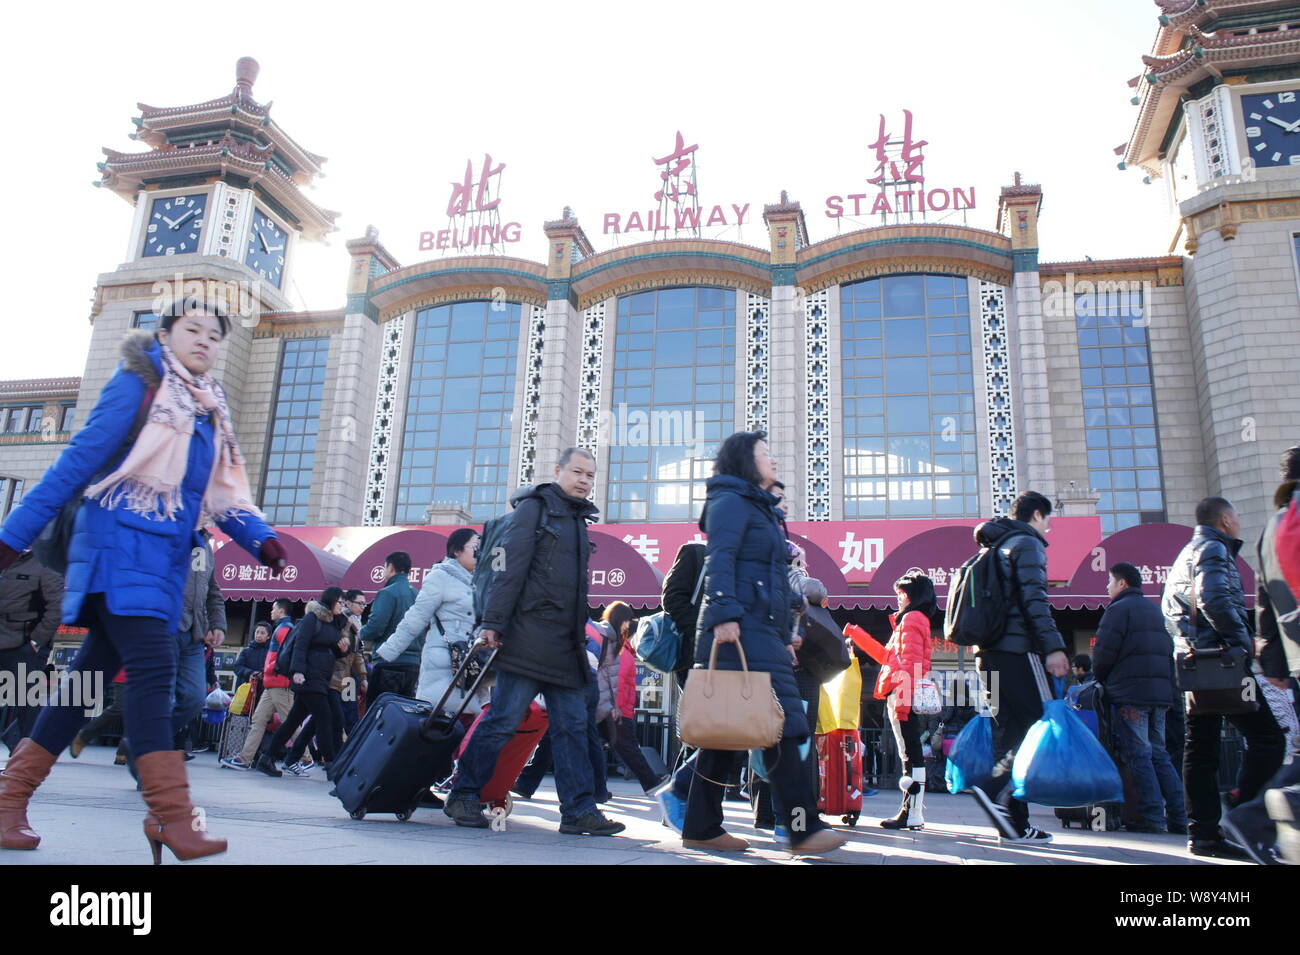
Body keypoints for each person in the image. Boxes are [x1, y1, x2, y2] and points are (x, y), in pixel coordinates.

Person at [0, 297, 285, 861]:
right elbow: (77, 462)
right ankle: (170, 817)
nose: (204, 340)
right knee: (154, 673)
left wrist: (262, 539)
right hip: (115, 555)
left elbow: (217, 497)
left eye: (214, 334)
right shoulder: (140, 385)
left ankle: (9, 800)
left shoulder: (208, 408)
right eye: (193, 329)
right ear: (167, 334)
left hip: (161, 568)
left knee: (77, 694)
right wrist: (12, 537)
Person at [443, 447, 624, 837]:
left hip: (566, 643)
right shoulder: (535, 508)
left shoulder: (578, 519)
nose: (584, 480)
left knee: (574, 727)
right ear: (557, 470)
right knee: (503, 720)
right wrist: (492, 622)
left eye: (590, 475)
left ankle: (578, 811)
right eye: (577, 472)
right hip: (527, 638)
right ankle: (463, 794)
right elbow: (511, 567)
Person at [683, 430, 846, 857]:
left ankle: (700, 825)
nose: (773, 459)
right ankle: (801, 828)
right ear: (744, 460)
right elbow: (721, 558)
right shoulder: (731, 501)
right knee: (786, 725)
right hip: (742, 629)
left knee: (728, 735)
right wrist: (724, 615)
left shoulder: (760, 507)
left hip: (761, 630)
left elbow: (771, 576)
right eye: (765, 453)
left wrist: (790, 625)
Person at [1162, 496, 1286, 859]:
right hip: (1222, 660)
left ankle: (1203, 834)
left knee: (1200, 748)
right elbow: (1214, 597)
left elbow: (1172, 606)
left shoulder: (1188, 550)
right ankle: (1244, 814)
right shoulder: (1213, 548)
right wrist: (1242, 640)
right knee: (1268, 739)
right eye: (1236, 516)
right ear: (1226, 519)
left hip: (1195, 661)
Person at [967, 490, 1071, 844]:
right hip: (1016, 652)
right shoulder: (1027, 545)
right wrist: (1054, 648)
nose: (1050, 526)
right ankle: (993, 785)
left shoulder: (993, 546)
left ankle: (1013, 824)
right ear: (1038, 514)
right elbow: (1035, 601)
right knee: (1032, 727)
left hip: (988, 654)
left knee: (1006, 732)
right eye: (1049, 518)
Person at [1219, 449, 1300, 864]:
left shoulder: (1274, 527)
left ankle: (1256, 815)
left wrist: (1274, 664)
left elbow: (1264, 600)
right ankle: (1260, 814)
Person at [1092, 562, 1186, 834]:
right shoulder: (1155, 611)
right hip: (1159, 696)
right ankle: (1179, 817)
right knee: (1160, 754)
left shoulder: (1118, 610)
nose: (1107, 586)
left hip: (1130, 696)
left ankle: (1151, 816)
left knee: (1140, 756)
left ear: (1122, 583)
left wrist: (1101, 678)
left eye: (1109, 581)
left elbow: (1104, 654)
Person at [258, 587, 350, 776]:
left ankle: (266, 757)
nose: (342, 606)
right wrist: (297, 671)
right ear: (332, 601)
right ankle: (331, 763)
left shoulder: (334, 623)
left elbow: (333, 650)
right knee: (325, 717)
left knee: (293, 721)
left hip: (322, 676)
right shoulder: (312, 618)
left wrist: (343, 649)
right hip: (308, 676)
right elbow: (300, 645)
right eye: (340, 602)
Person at [873, 572, 936, 831]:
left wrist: (900, 701)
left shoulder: (910, 619)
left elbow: (908, 664)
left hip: (902, 695)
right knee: (911, 753)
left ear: (910, 595)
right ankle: (913, 812)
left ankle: (911, 813)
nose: (898, 599)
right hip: (906, 694)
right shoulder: (918, 619)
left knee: (909, 754)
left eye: (901, 594)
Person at [656, 539, 707, 831]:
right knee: (702, 733)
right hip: (695, 657)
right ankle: (678, 798)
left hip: (726, 661)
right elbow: (672, 598)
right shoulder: (695, 552)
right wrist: (702, 632)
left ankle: (682, 801)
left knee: (708, 734)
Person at [594, 601, 666, 794]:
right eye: (627, 620)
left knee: (596, 747)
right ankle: (650, 782)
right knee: (627, 749)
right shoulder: (618, 649)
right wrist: (616, 708)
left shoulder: (618, 647)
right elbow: (614, 682)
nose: (629, 625)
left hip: (613, 708)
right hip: (616, 710)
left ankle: (599, 789)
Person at [0, 549, 63, 751]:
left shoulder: (45, 563)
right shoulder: (5, 556)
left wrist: (36, 641)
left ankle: (24, 758)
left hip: (24, 644)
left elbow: (57, 606)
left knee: (27, 703)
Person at [223, 599, 295, 770]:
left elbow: (288, 654)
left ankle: (304, 758)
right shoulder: (281, 628)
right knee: (258, 720)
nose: (271, 611)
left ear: (280, 611)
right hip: (271, 683)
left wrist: (272, 668)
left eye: (273, 608)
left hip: (278, 682)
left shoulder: (285, 628)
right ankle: (244, 758)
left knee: (289, 722)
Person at [360, 552, 418, 699]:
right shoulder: (418, 594)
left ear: (391, 567)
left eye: (385, 567)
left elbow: (376, 627)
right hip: (414, 663)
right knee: (403, 712)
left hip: (389, 661)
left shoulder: (387, 593)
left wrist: (360, 633)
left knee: (379, 711)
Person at [330, 590, 367, 743]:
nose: (363, 607)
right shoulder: (342, 621)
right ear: (348, 603)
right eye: (360, 603)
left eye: (365, 604)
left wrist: (363, 676)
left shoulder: (356, 622)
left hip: (349, 677)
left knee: (348, 715)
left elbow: (357, 652)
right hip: (339, 677)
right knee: (344, 716)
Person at [233, 622, 272, 689]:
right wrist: (251, 673)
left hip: (264, 689)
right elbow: (237, 667)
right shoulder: (246, 651)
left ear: (268, 636)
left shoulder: (271, 652)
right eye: (257, 632)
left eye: (262, 633)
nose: (258, 635)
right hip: (245, 689)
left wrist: (261, 674)